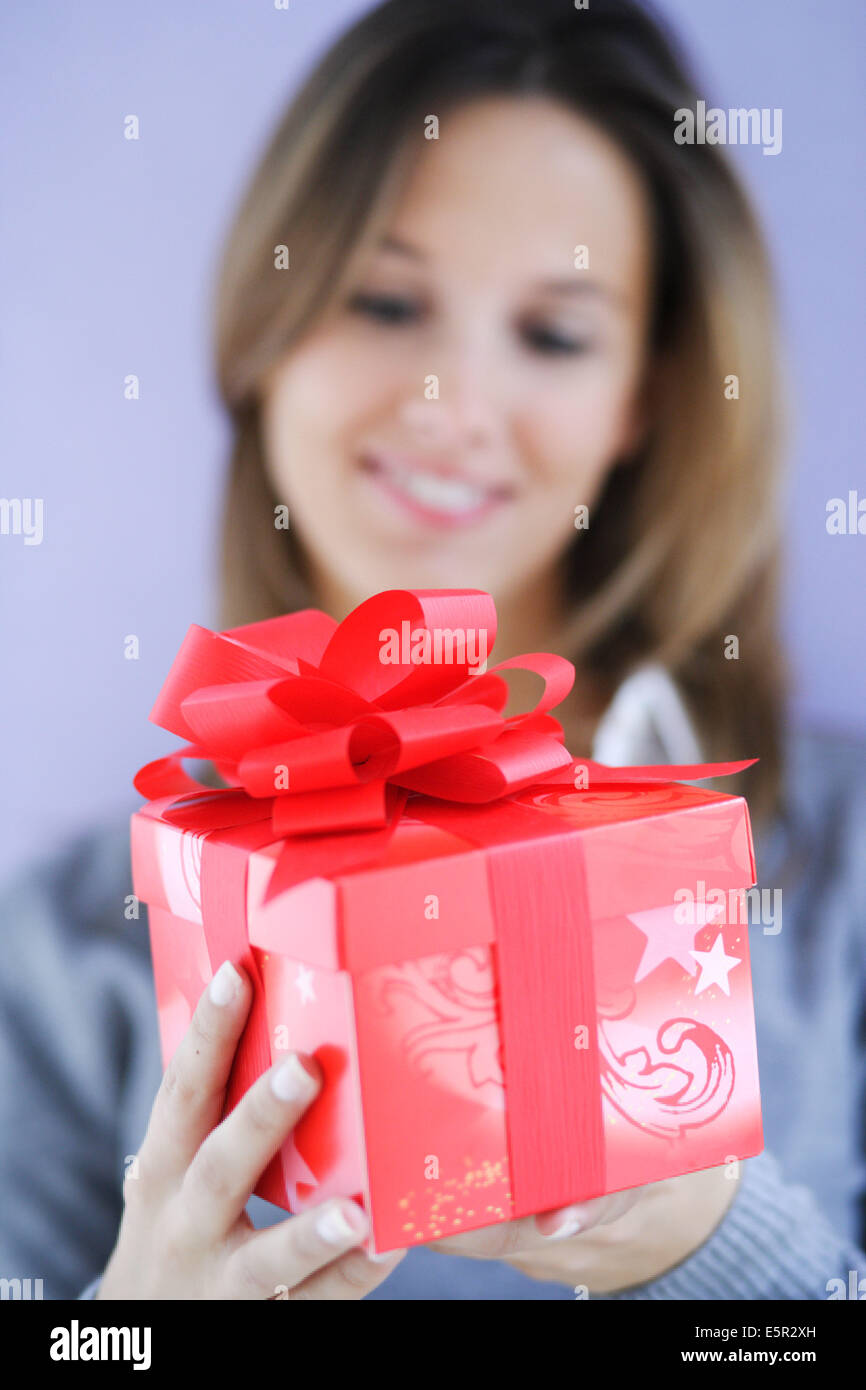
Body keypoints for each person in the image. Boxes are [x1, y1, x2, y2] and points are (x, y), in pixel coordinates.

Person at [1, 0, 864, 1301]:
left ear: (642, 395)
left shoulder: (838, 867)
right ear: (264, 336)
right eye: (385, 300)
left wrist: (705, 1242)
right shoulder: (70, 948)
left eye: (554, 332)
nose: (449, 406)